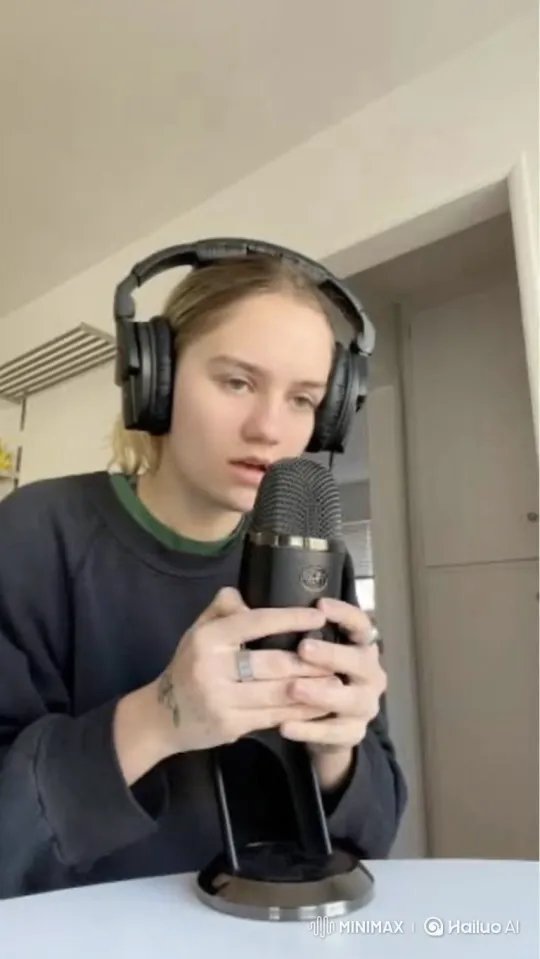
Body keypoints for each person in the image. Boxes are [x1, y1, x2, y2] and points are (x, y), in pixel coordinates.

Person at [0, 250, 407, 900]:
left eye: (302, 398)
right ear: (156, 379)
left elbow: (377, 832)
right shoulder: (33, 534)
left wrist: (338, 751)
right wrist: (158, 718)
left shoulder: (318, 562)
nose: (269, 428)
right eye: (238, 382)